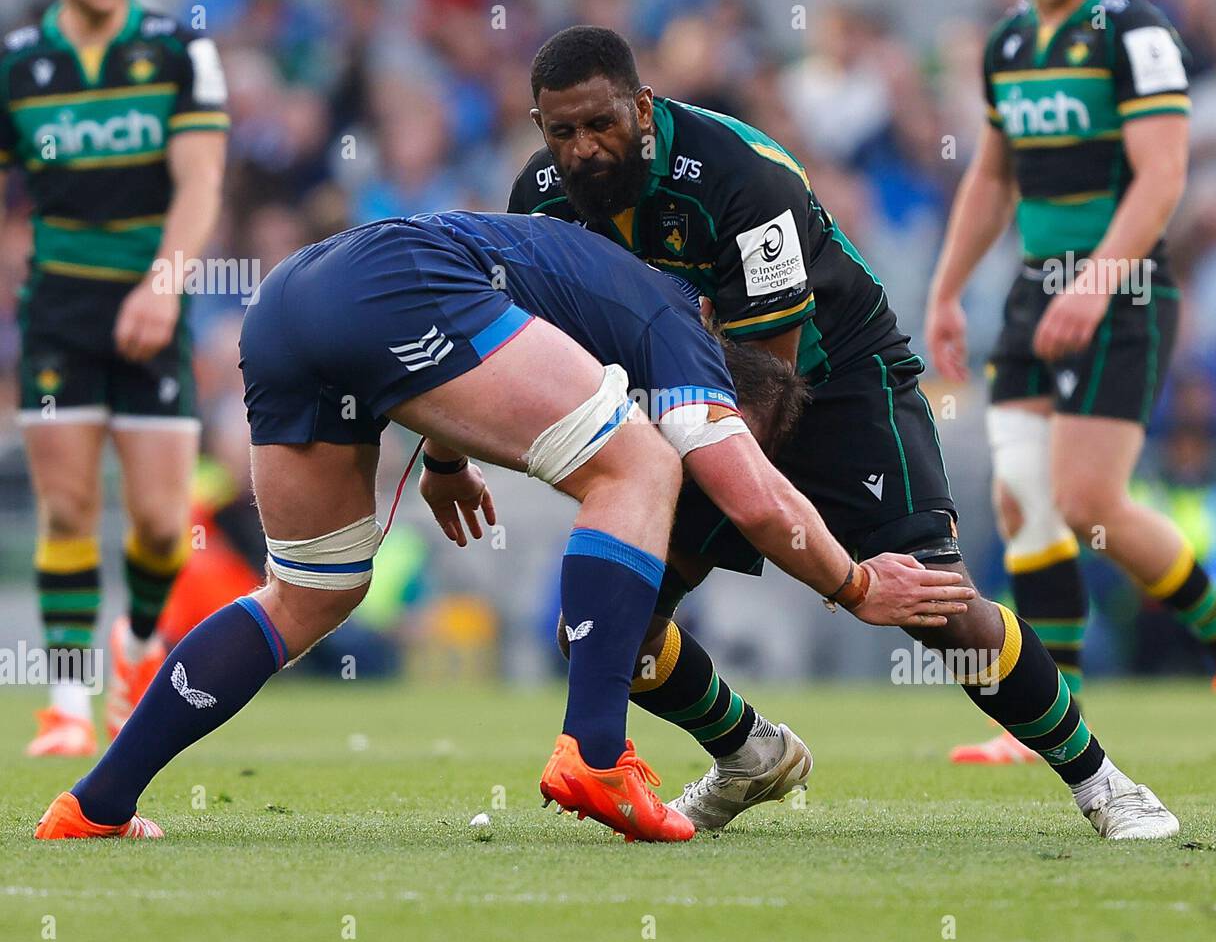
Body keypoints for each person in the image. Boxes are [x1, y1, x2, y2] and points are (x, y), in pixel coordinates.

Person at [34, 211, 974, 845]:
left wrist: (444, 460)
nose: (714, 476)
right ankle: (595, 755)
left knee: (313, 592)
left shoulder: (594, 305)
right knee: (640, 459)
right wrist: (858, 584)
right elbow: (753, 498)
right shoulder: (681, 331)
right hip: (390, 284)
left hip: (289, 303)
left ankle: (96, 803)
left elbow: (471, 345)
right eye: (727, 435)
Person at [509, 28, 1179, 839]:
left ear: (642, 107)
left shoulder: (740, 178)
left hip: (832, 388)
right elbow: (523, 350)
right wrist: (447, 456)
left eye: (601, 124)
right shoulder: (539, 200)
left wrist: (831, 570)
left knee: (936, 605)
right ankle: (750, 752)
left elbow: (768, 381)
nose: (582, 150)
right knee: (605, 630)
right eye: (561, 131)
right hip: (691, 405)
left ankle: (1105, 784)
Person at [924, 0, 1216, 764]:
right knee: (1019, 497)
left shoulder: (1135, 32)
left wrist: (1093, 283)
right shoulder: (1008, 44)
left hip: (1123, 291)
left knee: (1089, 500)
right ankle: (1057, 712)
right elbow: (992, 176)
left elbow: (1163, 175)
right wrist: (942, 291)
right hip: (1030, 295)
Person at [0, 0, 228, 755]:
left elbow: (202, 181)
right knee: (65, 508)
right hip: (58, 311)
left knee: (165, 524)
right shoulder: (18, 66)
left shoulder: (176, 51)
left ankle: (134, 647)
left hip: (152, 303)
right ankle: (63, 704)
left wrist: (164, 287)